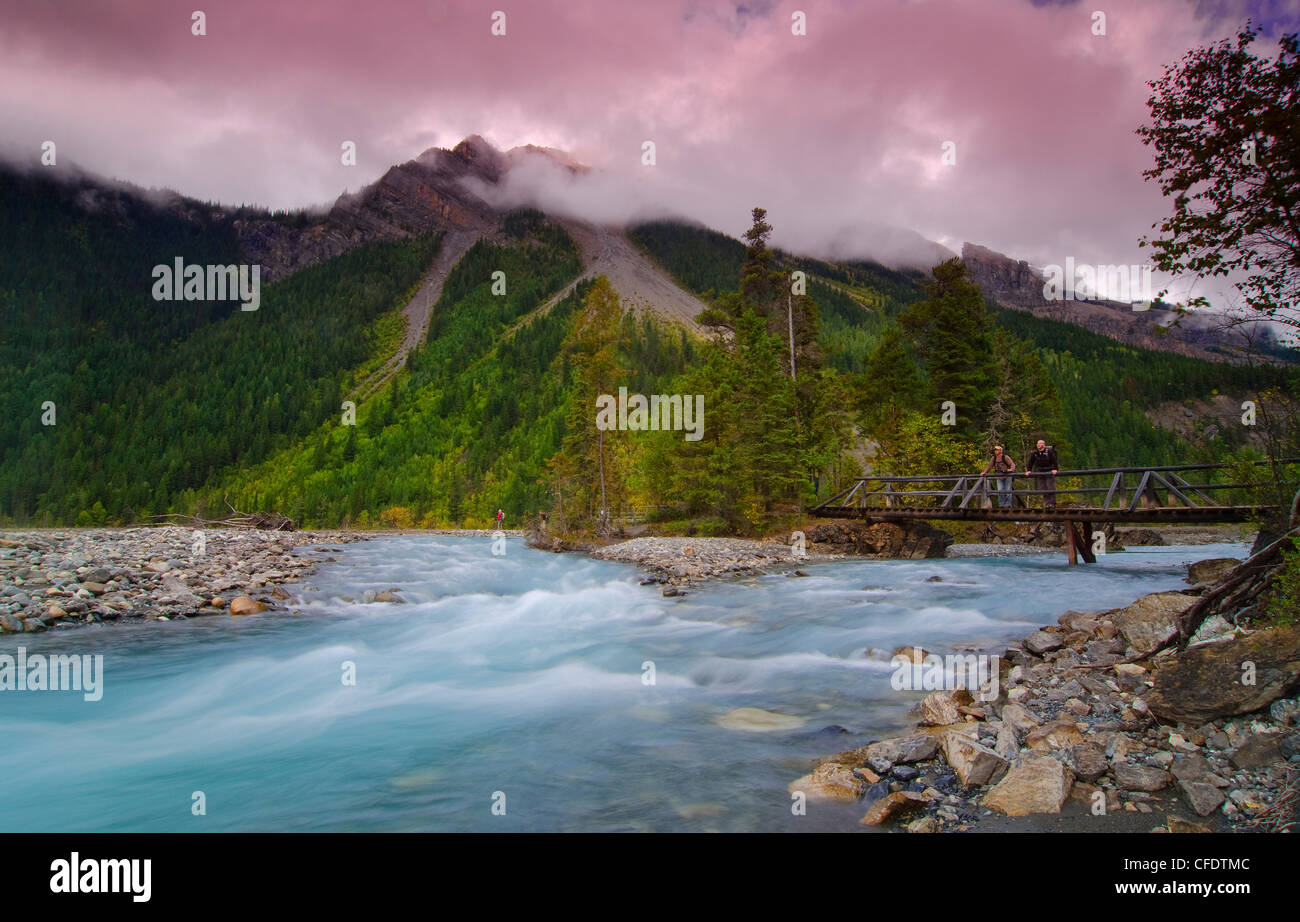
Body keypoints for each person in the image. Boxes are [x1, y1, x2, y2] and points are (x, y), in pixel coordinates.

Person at [1026, 439, 1059, 509]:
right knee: (1043, 488)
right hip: (1040, 472)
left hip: (1049, 471)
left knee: (1050, 487)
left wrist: (1055, 469)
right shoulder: (1035, 453)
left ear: (1044, 445)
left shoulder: (1049, 452)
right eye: (1038, 444)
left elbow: (1054, 461)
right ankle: (1047, 503)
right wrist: (1028, 470)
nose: (1038, 445)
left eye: (1040, 444)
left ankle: (1052, 503)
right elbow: (1030, 462)